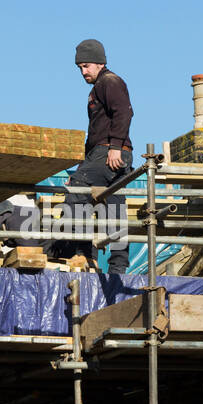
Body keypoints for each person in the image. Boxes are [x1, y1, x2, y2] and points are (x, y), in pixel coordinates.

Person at [56, 38, 133, 273]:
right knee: (115, 209)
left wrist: (115, 147)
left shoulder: (109, 82)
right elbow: (96, 132)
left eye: (86, 66)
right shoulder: (100, 86)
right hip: (106, 154)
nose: (83, 71)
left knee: (77, 194)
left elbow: (124, 112)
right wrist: (82, 167)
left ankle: (83, 255)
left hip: (109, 152)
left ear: (100, 63)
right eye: (80, 67)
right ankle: (118, 268)